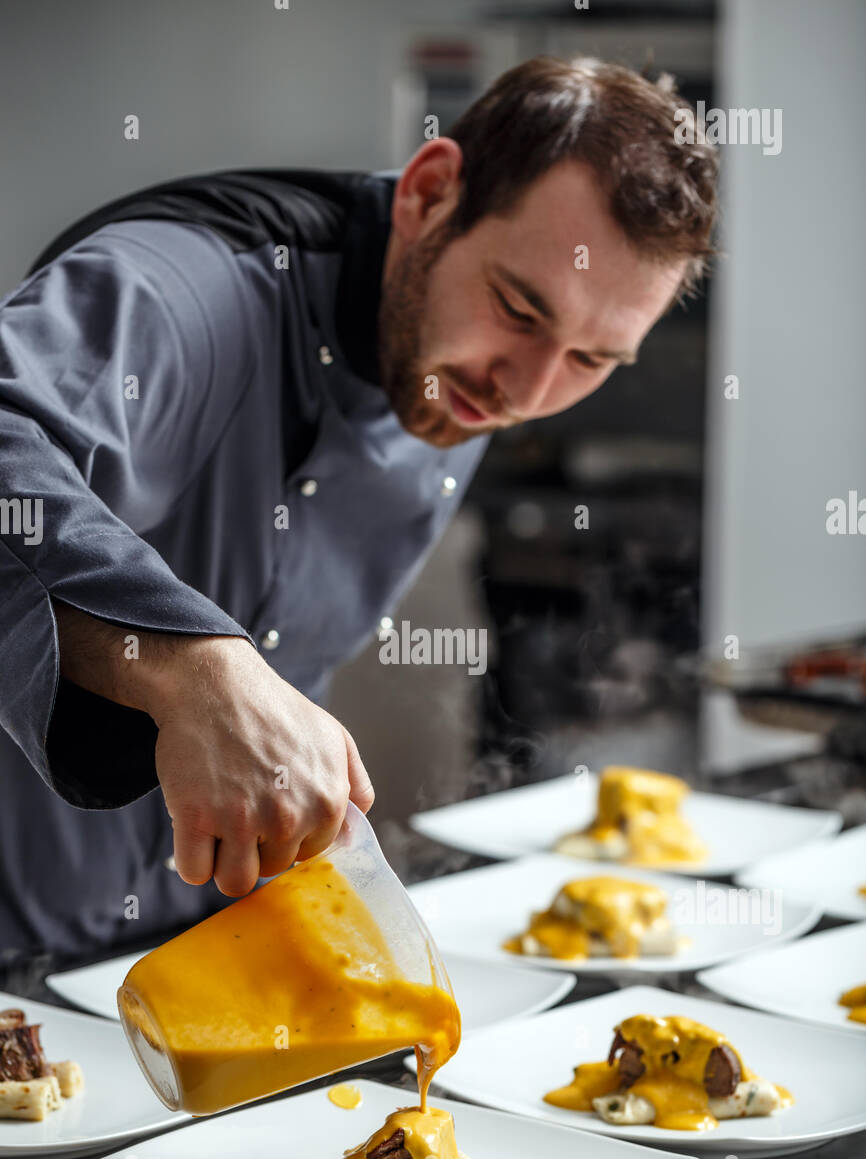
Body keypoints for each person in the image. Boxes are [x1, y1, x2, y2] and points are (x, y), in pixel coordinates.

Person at [0, 56, 718, 962]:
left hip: (197, 955)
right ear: (430, 193)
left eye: (592, 361)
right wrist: (197, 670)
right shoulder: (183, 287)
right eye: (519, 308)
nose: (526, 391)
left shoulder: (473, 368)